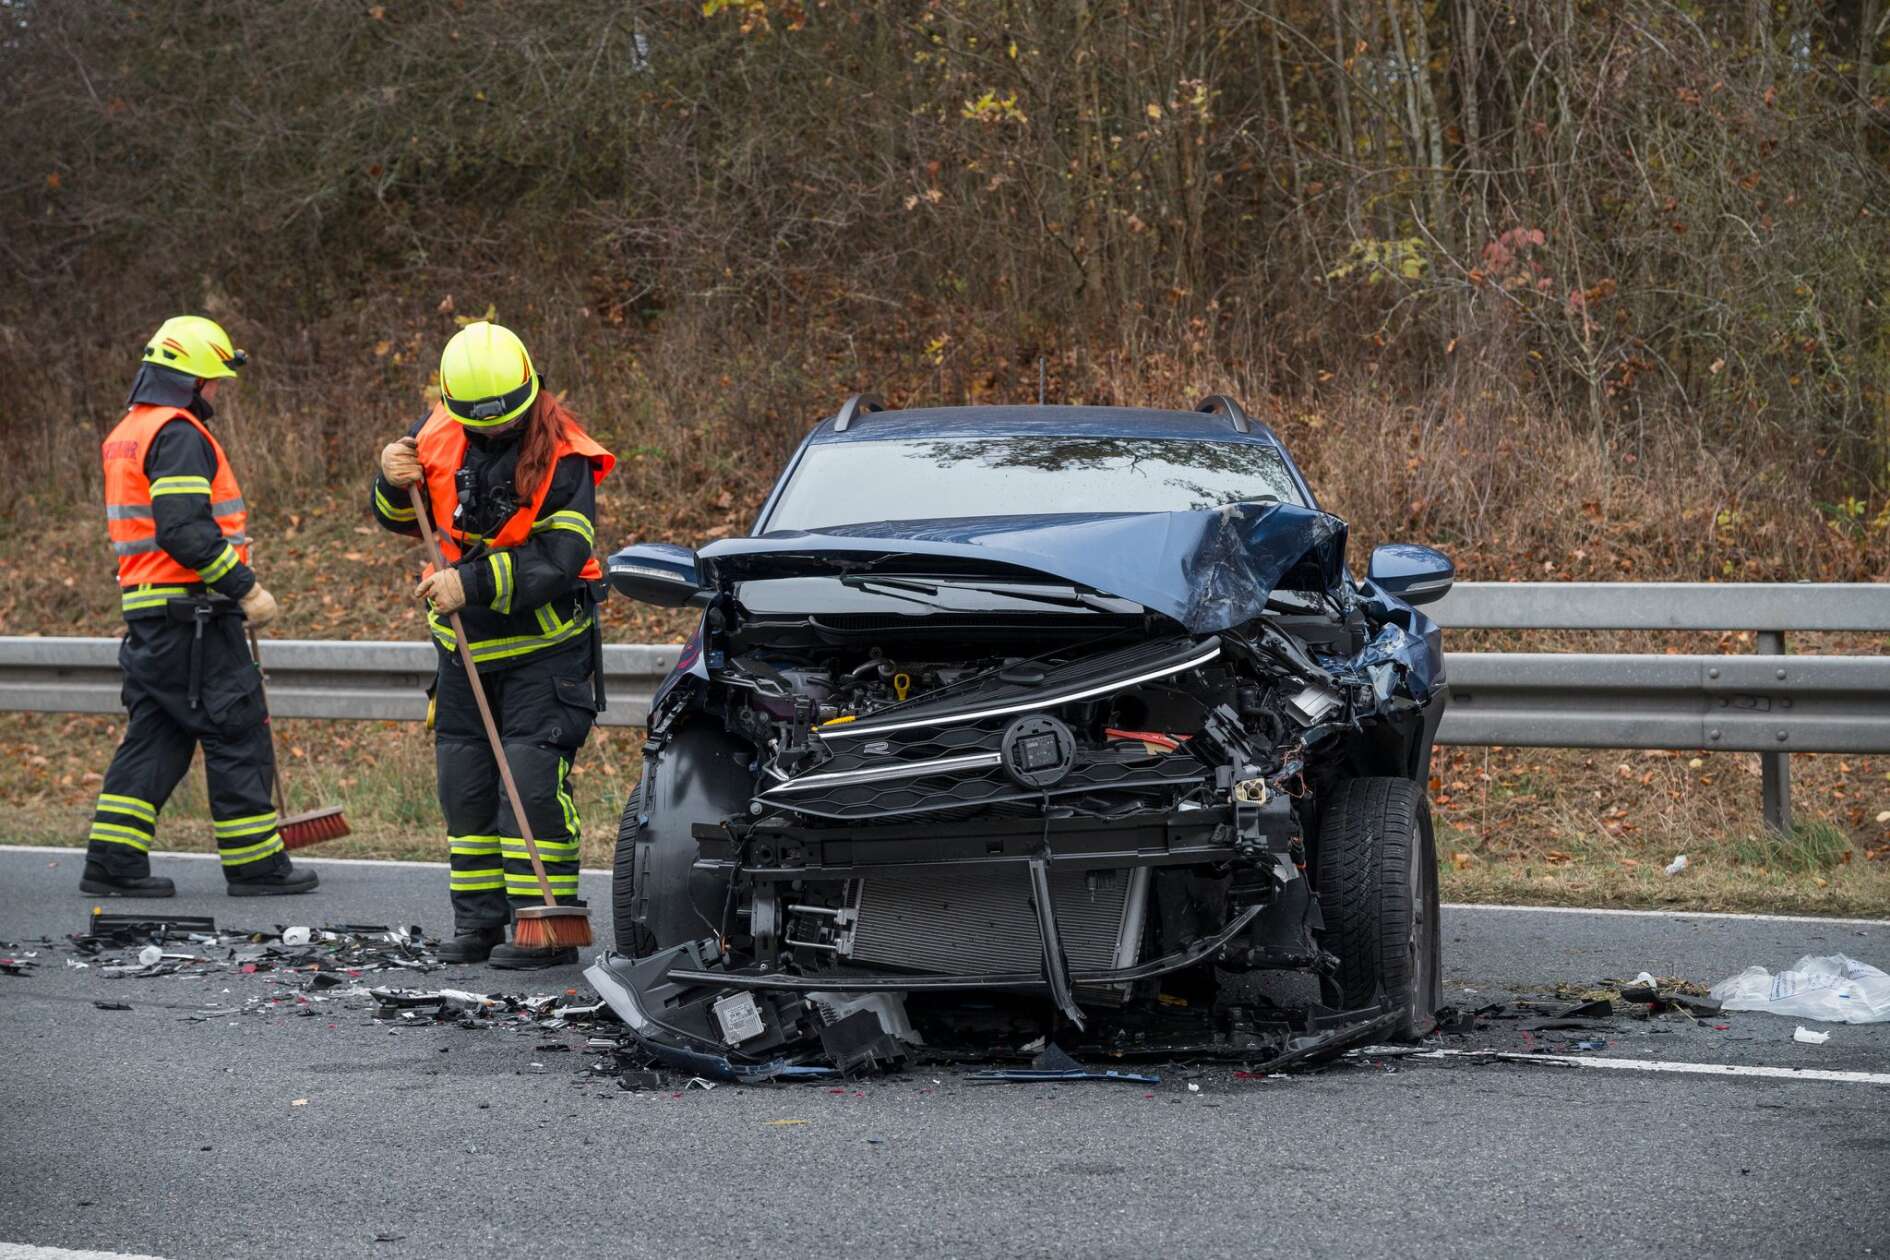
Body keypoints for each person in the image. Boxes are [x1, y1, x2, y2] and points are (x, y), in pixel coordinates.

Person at [372, 321, 615, 969]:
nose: (494, 433)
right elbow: (409, 515)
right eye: (481, 425)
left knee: (530, 789)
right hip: (464, 655)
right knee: (466, 789)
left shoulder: (564, 455)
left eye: (506, 422)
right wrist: (391, 482)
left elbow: (560, 559)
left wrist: (470, 584)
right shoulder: (438, 433)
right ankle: (478, 923)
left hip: (546, 656)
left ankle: (546, 926)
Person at [83, 316, 319, 897]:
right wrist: (243, 585)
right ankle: (256, 866)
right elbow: (184, 530)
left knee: (158, 734)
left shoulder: (130, 432)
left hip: (151, 615)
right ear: (187, 381)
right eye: (211, 380)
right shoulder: (180, 433)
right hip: (195, 617)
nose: (216, 391)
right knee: (237, 728)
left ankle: (112, 860)